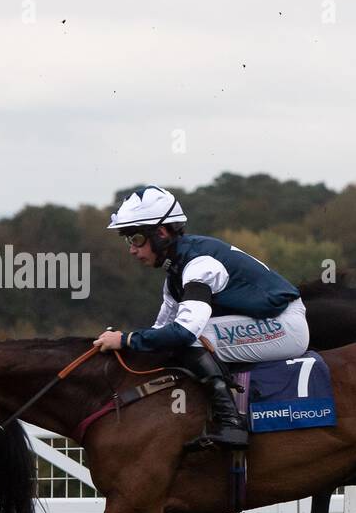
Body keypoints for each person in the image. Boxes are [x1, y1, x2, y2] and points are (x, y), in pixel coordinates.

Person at [93, 186, 310, 447]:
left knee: (191, 339)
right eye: (128, 240)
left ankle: (231, 424)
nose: (132, 250)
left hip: (285, 325)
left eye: (136, 239)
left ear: (161, 233)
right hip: (265, 322)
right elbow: (161, 329)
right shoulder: (176, 271)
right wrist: (128, 345)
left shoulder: (199, 265)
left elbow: (184, 333)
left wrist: (126, 339)